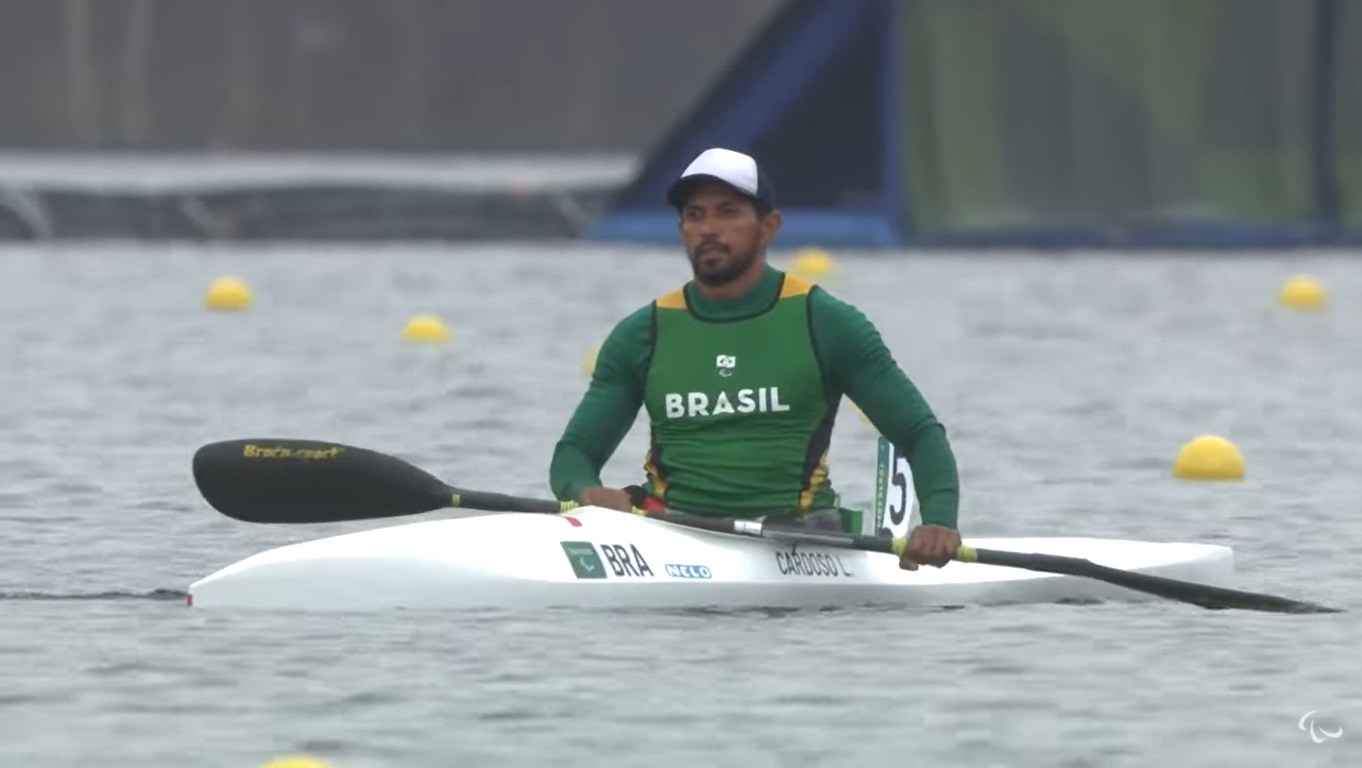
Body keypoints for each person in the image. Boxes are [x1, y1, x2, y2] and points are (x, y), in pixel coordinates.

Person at [548, 147, 961, 571]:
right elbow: (574, 453)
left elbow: (919, 434)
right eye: (695, 215)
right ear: (681, 228)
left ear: (769, 227)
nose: (709, 228)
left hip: (796, 540)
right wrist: (587, 492)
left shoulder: (826, 322)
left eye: (728, 212)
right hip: (668, 531)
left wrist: (939, 523)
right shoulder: (642, 333)